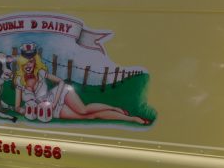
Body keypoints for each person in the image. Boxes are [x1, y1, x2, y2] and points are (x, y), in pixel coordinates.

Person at [13, 42, 151, 124]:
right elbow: (17, 107)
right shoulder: (19, 81)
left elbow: (61, 82)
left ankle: (118, 111)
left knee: (84, 109)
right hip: (47, 111)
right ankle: (130, 118)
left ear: (35, 61)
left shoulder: (41, 73)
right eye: (26, 62)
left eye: (31, 61)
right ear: (21, 63)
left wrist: (53, 102)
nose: (28, 65)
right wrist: (25, 110)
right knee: (89, 116)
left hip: (55, 98)